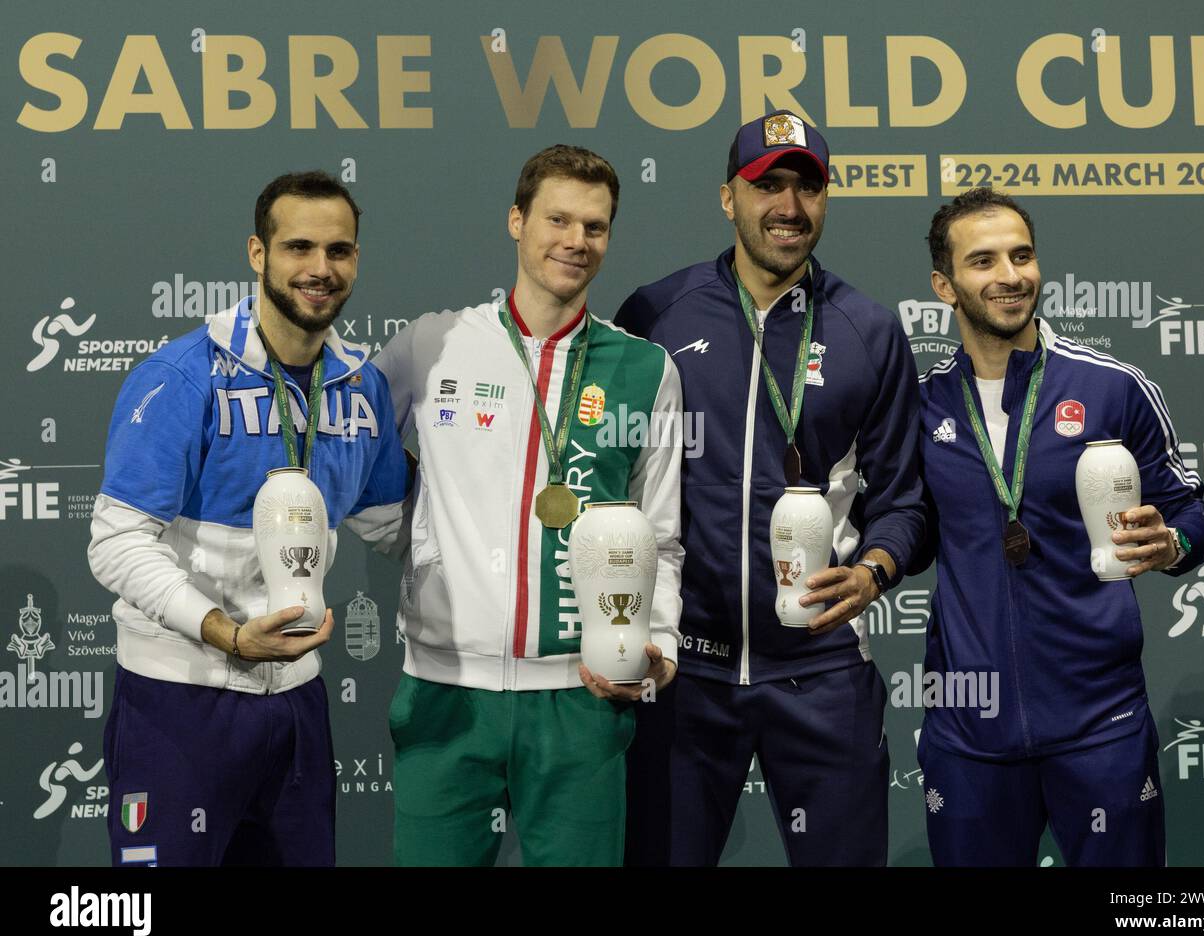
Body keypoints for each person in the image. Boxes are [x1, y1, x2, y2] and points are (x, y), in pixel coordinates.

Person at [616, 111, 926, 866]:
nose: (789, 206)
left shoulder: (867, 329)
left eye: (807, 187)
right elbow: (613, 483)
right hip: (682, 672)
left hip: (820, 676)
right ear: (729, 197)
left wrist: (874, 570)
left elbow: (907, 501)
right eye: (768, 185)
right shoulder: (655, 313)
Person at [374, 145, 684, 866]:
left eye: (596, 227)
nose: (576, 241)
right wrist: (415, 538)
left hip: (580, 699)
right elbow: (349, 457)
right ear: (517, 221)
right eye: (558, 220)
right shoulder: (433, 345)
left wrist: (659, 647)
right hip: (445, 696)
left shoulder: (645, 369)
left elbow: (661, 537)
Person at [87, 171, 408, 866]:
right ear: (258, 255)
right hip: (181, 699)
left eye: (340, 250)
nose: (320, 269)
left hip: (296, 703)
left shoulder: (361, 385)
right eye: (299, 247)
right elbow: (116, 543)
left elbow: (398, 531)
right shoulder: (185, 375)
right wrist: (226, 634)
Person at [913, 187, 1204, 866]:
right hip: (968, 728)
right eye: (984, 261)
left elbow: (1194, 513)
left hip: (1099, 721)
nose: (1010, 276)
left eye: (1022, 255)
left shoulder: (1114, 387)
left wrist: (1173, 544)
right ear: (945, 285)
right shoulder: (921, 403)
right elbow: (904, 528)